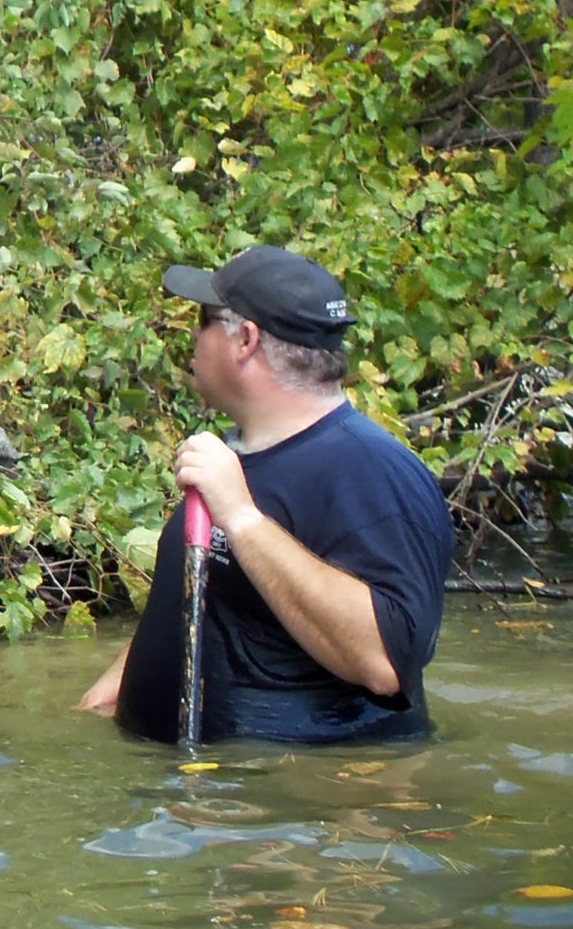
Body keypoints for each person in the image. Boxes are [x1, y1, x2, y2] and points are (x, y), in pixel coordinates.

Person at [81, 246, 453, 744]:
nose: (193, 335)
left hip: (286, 805)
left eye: (204, 320)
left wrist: (241, 517)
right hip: (195, 801)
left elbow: (384, 661)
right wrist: (116, 688)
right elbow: (220, 602)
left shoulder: (372, 470)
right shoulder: (240, 456)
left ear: (246, 340)